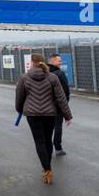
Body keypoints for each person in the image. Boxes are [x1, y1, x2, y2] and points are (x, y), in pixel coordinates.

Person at [14, 53, 72, 185]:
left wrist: (20, 110)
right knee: (47, 140)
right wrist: (67, 115)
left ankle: (47, 169)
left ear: (32, 63)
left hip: (32, 115)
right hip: (50, 114)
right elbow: (61, 98)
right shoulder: (53, 77)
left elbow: (19, 98)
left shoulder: (24, 78)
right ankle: (48, 167)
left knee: (39, 142)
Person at [47, 55, 71, 156]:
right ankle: (58, 147)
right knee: (57, 126)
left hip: (45, 106)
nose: (61, 62)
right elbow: (65, 91)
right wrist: (65, 106)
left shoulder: (45, 73)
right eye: (59, 61)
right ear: (53, 61)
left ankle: (46, 147)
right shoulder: (60, 74)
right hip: (57, 105)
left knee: (47, 127)